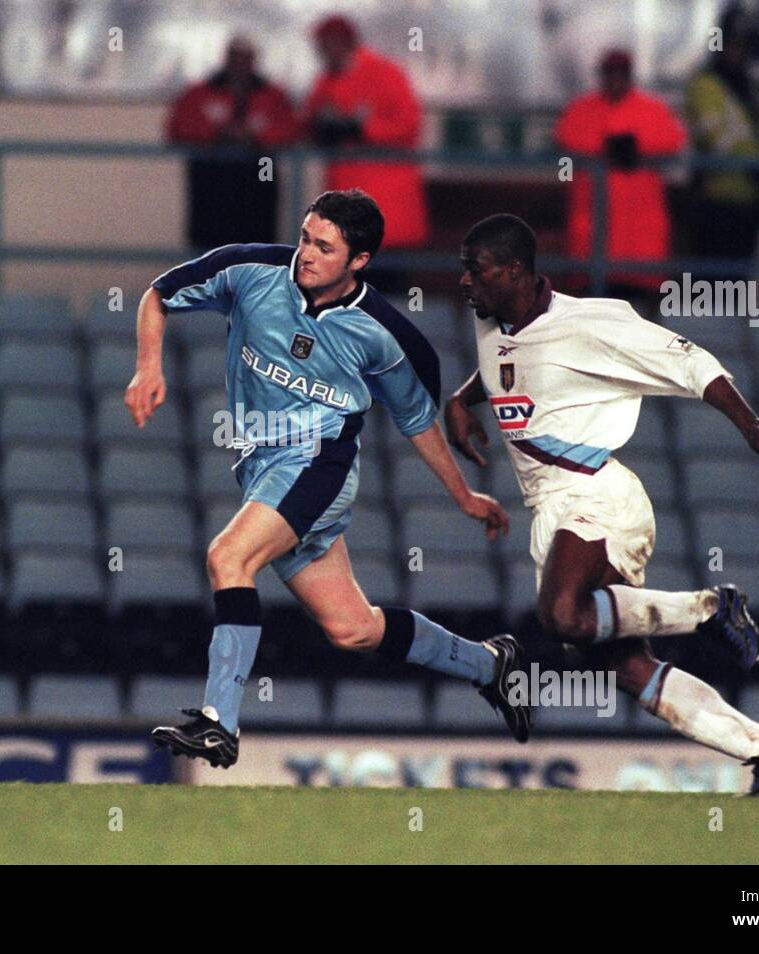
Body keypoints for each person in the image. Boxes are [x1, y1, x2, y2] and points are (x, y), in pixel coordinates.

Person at [126, 190, 527, 769]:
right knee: (353, 629)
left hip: (319, 465)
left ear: (358, 261)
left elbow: (418, 421)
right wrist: (147, 365)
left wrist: (461, 495)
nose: (306, 253)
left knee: (228, 558)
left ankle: (218, 724)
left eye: (324, 247)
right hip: (263, 471)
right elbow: (158, 295)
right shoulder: (251, 271)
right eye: (306, 236)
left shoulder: (383, 334)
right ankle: (490, 666)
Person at [443, 213, 759, 796]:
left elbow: (690, 360)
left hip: (596, 494)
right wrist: (463, 400)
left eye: (476, 269)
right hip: (551, 510)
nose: (465, 281)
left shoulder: (594, 323)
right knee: (622, 666)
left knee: (561, 616)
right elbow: (506, 363)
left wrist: (751, 425)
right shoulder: (495, 316)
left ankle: (709, 609)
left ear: (515, 270)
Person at [302, 15, 427, 296]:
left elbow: (409, 124)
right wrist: (322, 127)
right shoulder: (328, 79)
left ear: (342, 43)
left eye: (326, 44)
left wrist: (361, 128)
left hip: (386, 212)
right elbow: (310, 121)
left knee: (385, 299)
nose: (321, 51)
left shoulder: (384, 72)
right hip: (348, 216)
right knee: (348, 297)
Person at [553, 49, 686, 304]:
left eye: (620, 73)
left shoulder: (652, 110)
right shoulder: (581, 110)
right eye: (610, 73)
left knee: (642, 315)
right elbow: (566, 140)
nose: (615, 79)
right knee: (593, 312)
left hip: (640, 238)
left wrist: (630, 148)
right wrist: (614, 148)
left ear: (629, 75)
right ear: (602, 75)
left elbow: (672, 141)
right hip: (593, 236)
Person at [165, 37, 299, 249]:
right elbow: (177, 128)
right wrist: (217, 136)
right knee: (211, 255)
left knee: (257, 253)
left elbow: (290, 130)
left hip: (258, 185)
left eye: (245, 59)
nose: (240, 65)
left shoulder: (273, 95)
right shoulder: (200, 93)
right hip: (211, 186)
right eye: (235, 59)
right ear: (226, 60)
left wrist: (256, 139)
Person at [684, 8, 759, 262]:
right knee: (713, 288)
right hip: (715, 201)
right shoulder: (705, 84)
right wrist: (755, 163)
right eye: (733, 44)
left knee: (736, 287)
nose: (739, 52)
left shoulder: (746, 86)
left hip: (747, 203)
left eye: (743, 46)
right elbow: (716, 137)